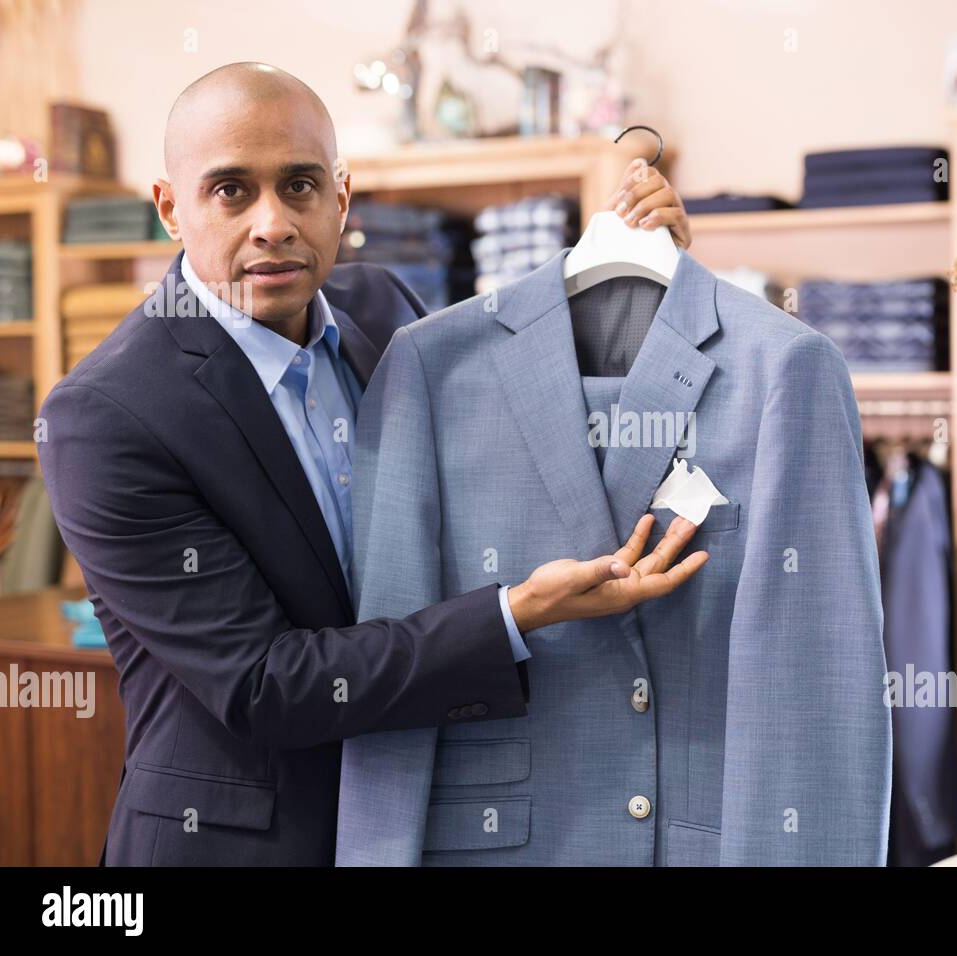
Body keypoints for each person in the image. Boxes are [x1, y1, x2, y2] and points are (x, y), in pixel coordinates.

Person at [37, 62, 705, 866]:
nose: (273, 223)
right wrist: (514, 614)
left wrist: (644, 271)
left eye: (300, 185)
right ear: (171, 208)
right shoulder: (104, 417)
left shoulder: (382, 309)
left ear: (341, 199)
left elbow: (539, 412)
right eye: (230, 191)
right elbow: (265, 684)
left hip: (417, 812)